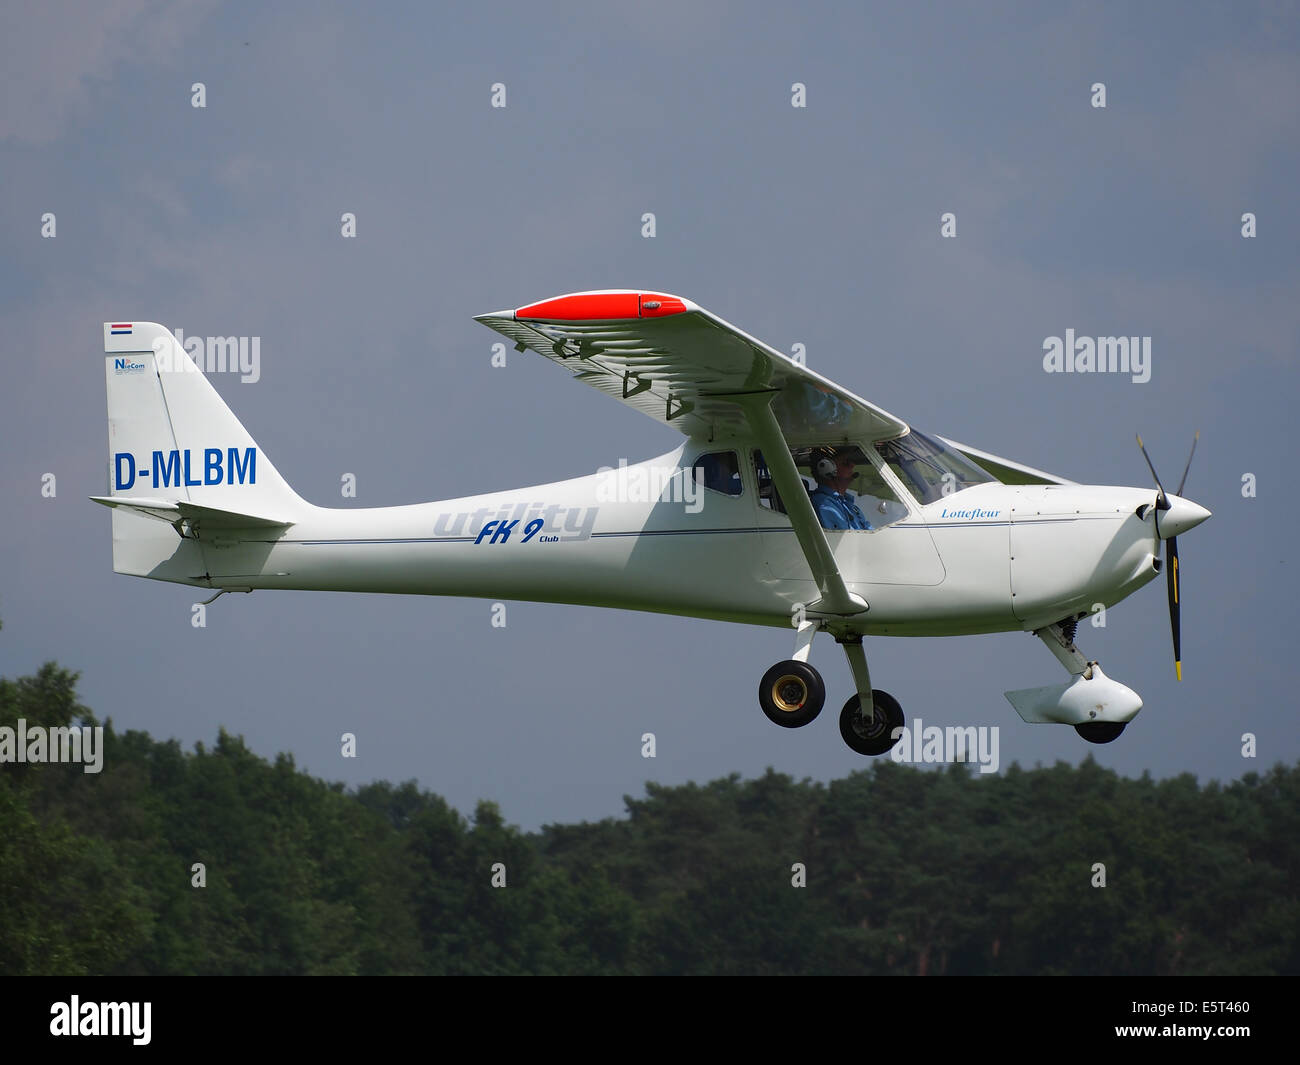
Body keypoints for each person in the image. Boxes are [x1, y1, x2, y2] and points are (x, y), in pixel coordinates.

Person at [809, 448, 872, 530]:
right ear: (826, 469)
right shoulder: (824, 504)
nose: (852, 465)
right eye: (845, 463)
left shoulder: (850, 506)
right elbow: (846, 539)